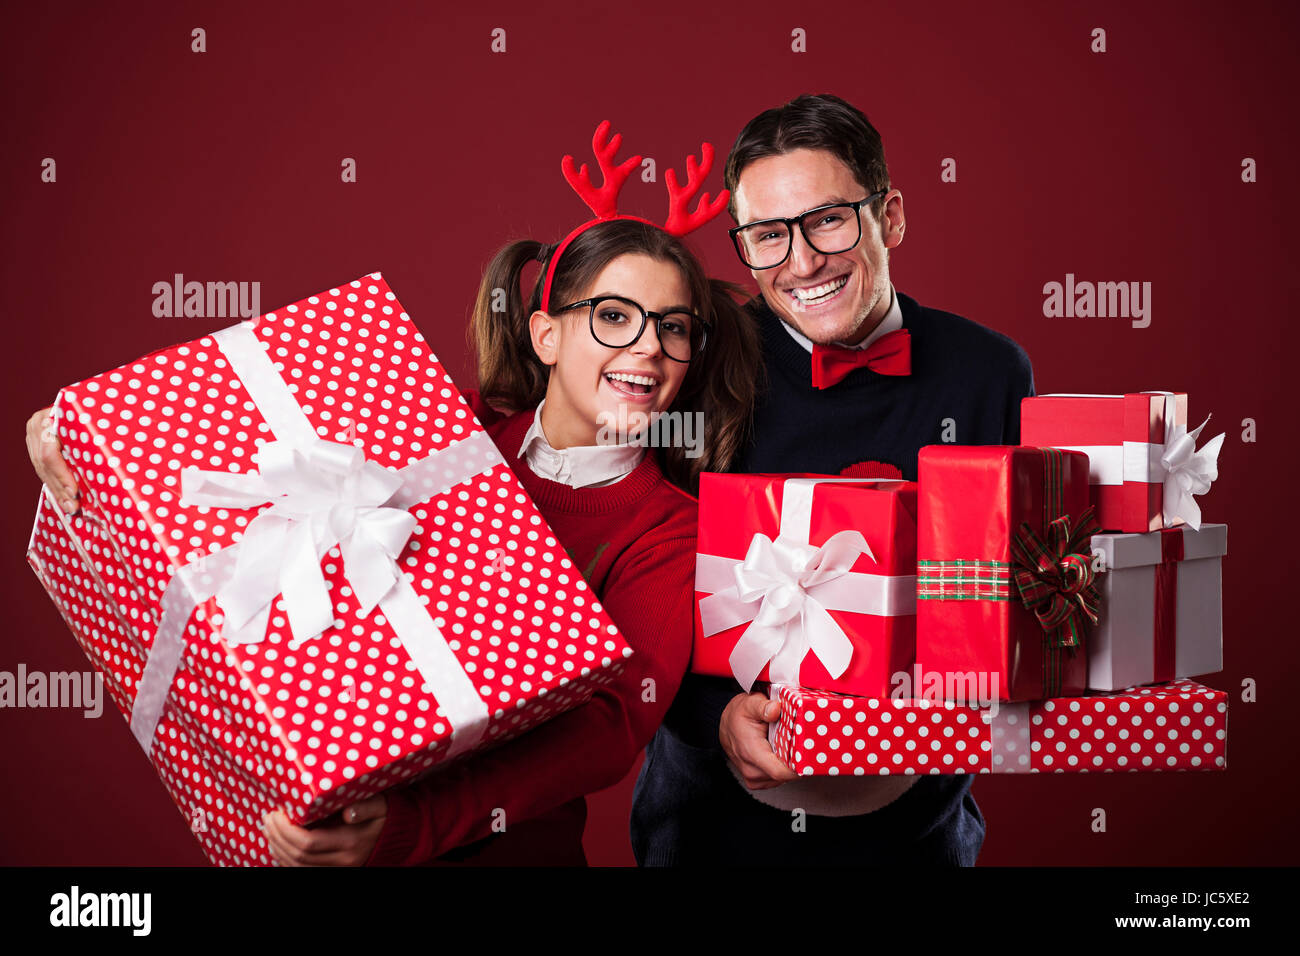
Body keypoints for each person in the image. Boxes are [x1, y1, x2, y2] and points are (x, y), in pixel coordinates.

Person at [25, 126, 763, 866]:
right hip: (318, 819)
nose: (647, 347)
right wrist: (76, 432)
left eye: (673, 329)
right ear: (545, 334)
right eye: (613, 316)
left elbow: (608, 731)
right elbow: (233, 442)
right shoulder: (442, 428)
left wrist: (412, 822)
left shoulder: (672, 533)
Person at [630, 93, 1035, 866]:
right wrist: (712, 718)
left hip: (918, 834)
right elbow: (638, 586)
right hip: (711, 832)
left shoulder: (989, 372)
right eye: (767, 236)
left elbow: (1004, 593)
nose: (803, 261)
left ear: (892, 217)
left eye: (828, 220)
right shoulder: (695, 367)